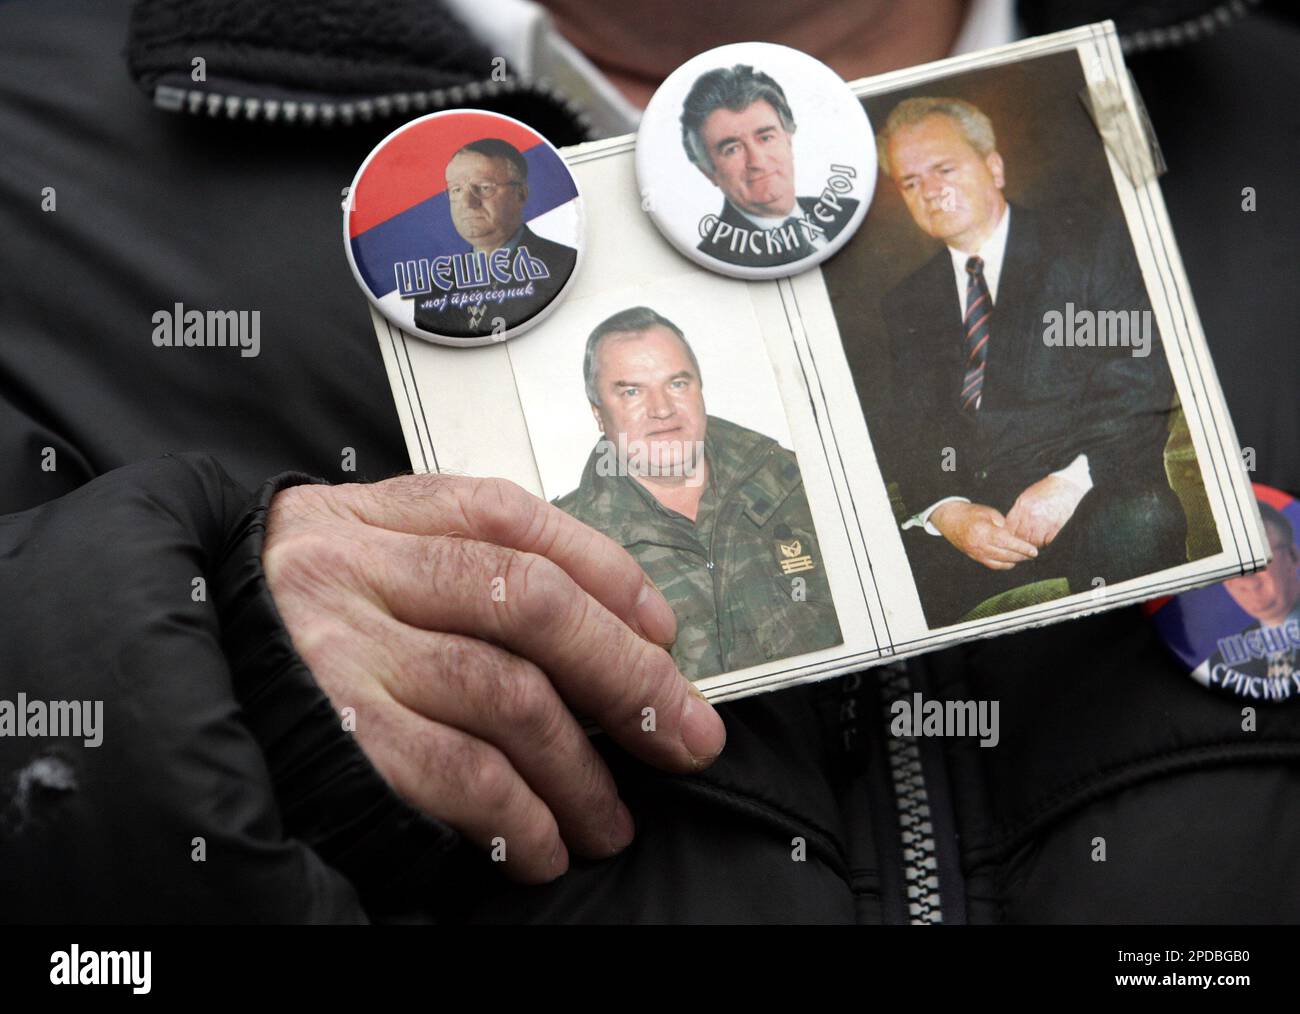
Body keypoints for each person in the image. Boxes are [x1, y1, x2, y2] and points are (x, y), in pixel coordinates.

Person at [1, 0, 1299, 925]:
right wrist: (177, 662)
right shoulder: (33, 165)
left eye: (945, 172)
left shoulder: (1269, 126)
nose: (925, 196)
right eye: (636, 392)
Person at [874, 96, 1187, 627]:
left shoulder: (1091, 245)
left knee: (1139, 520)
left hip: (1087, 496)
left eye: (944, 168)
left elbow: (1138, 379)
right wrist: (949, 513)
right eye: (910, 182)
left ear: (992, 167)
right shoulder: (906, 303)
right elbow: (909, 429)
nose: (929, 190)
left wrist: (1069, 483)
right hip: (971, 524)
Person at [552, 306, 842, 680]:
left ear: (699, 389)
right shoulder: (564, 547)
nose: (661, 409)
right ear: (598, 412)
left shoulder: (804, 481)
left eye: (677, 384)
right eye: (631, 391)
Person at [680, 64, 859, 268]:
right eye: (732, 149)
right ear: (707, 172)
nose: (757, 162)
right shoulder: (712, 261)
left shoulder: (850, 212)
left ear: (788, 139)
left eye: (765, 137)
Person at [413, 138, 577, 336]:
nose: (467, 202)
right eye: (456, 189)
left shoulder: (563, 265)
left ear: (521, 195)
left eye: (484, 187)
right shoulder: (433, 286)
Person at [1196, 502, 1300, 695]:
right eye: (1229, 565)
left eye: (1256, 558)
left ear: (1292, 556)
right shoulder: (1222, 664)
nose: (1243, 578)